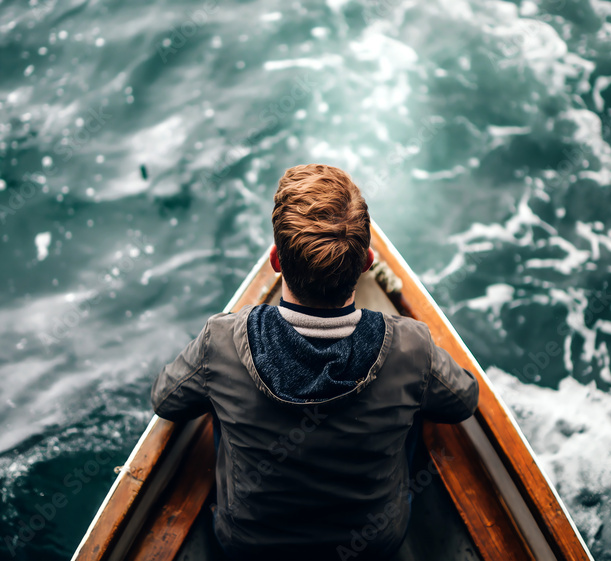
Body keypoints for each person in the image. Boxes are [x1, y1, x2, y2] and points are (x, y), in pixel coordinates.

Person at [151, 164, 479, 560]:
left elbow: (166, 401)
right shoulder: (411, 347)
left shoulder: (219, 342)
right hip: (373, 545)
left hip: (248, 545)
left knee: (215, 405)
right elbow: (463, 401)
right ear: (366, 262)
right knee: (416, 410)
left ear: (275, 260)